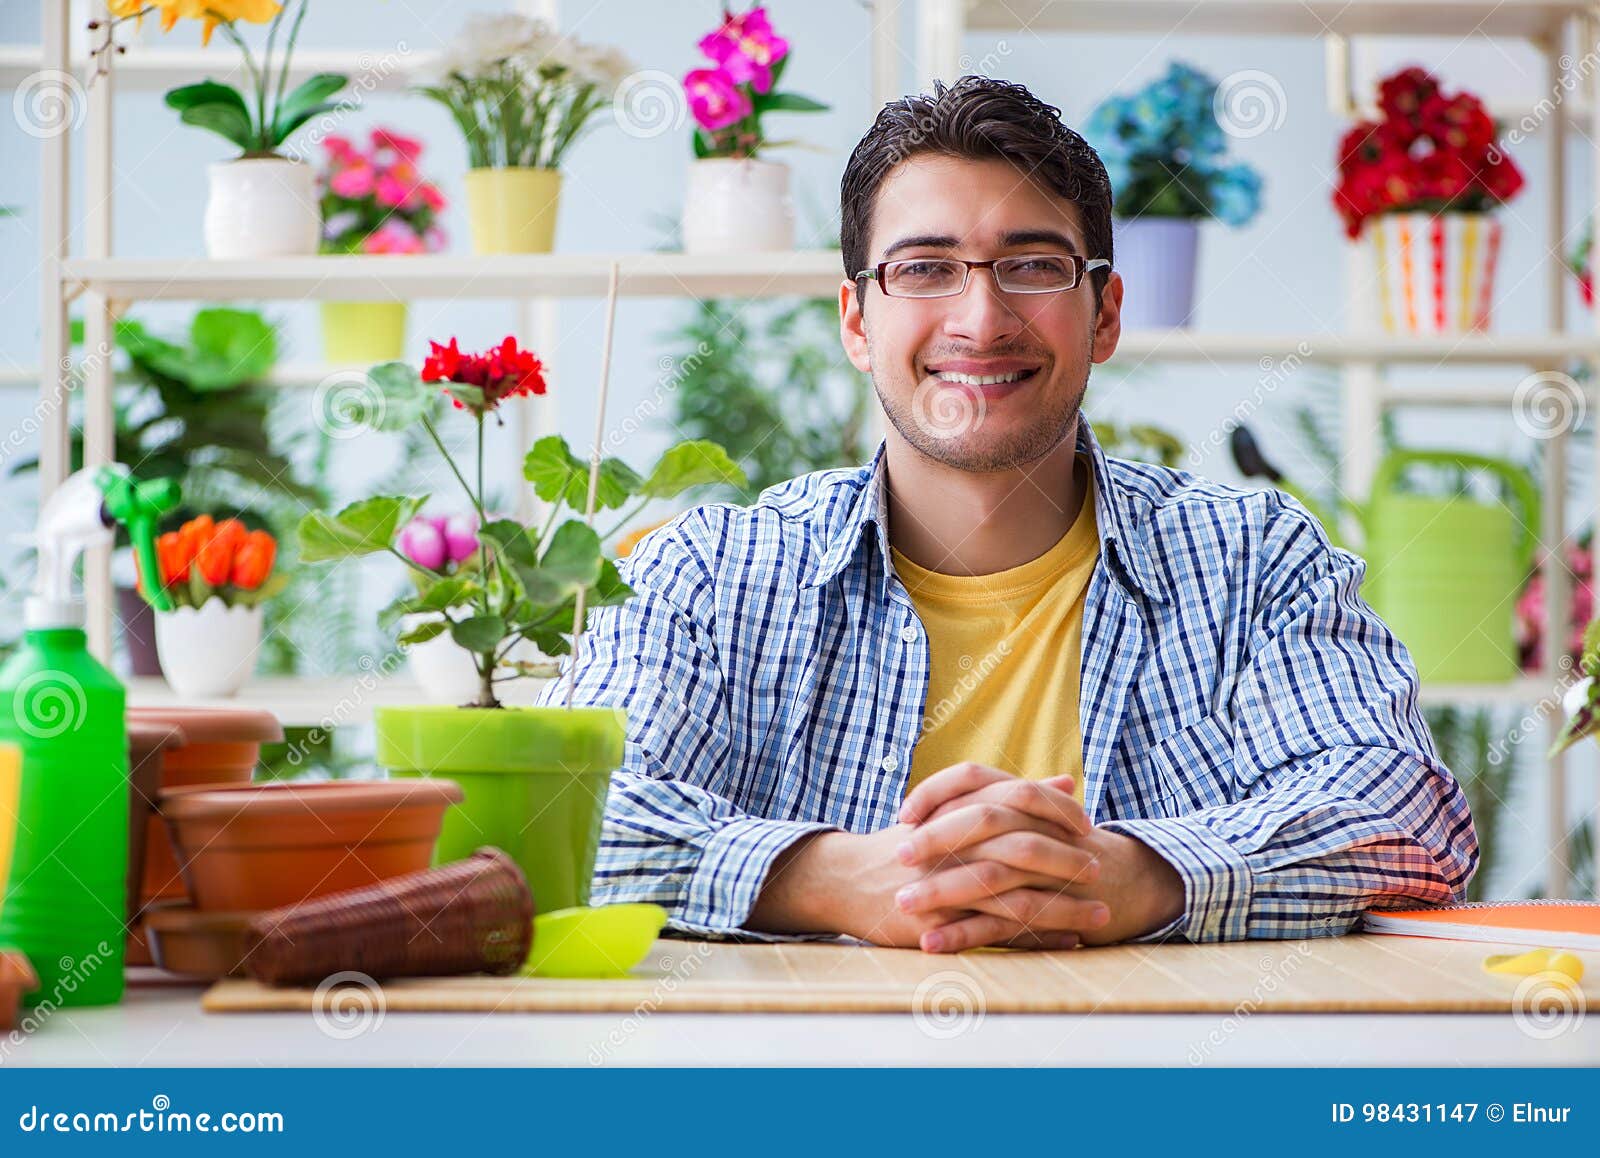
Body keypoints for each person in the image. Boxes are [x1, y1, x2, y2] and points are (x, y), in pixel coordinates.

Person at [543, 75, 1476, 952]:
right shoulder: (715, 571)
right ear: (858, 321)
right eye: (924, 269)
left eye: (1031, 265)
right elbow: (562, 818)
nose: (981, 319)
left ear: (1104, 313)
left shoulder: (1254, 562)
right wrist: (836, 880)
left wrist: (1137, 874)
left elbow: (1401, 810)